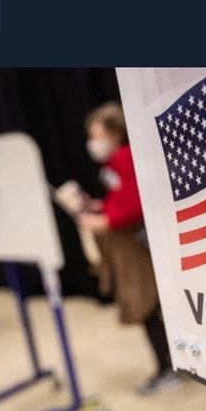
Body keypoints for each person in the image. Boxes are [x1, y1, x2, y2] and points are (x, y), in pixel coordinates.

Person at [79, 102, 181, 395]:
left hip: (138, 245)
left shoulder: (125, 158)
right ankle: (169, 365)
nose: (93, 142)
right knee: (153, 307)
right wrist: (101, 207)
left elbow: (136, 207)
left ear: (114, 133)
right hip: (131, 242)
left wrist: (103, 221)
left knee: (149, 305)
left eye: (98, 135)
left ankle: (168, 369)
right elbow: (122, 199)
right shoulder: (113, 163)